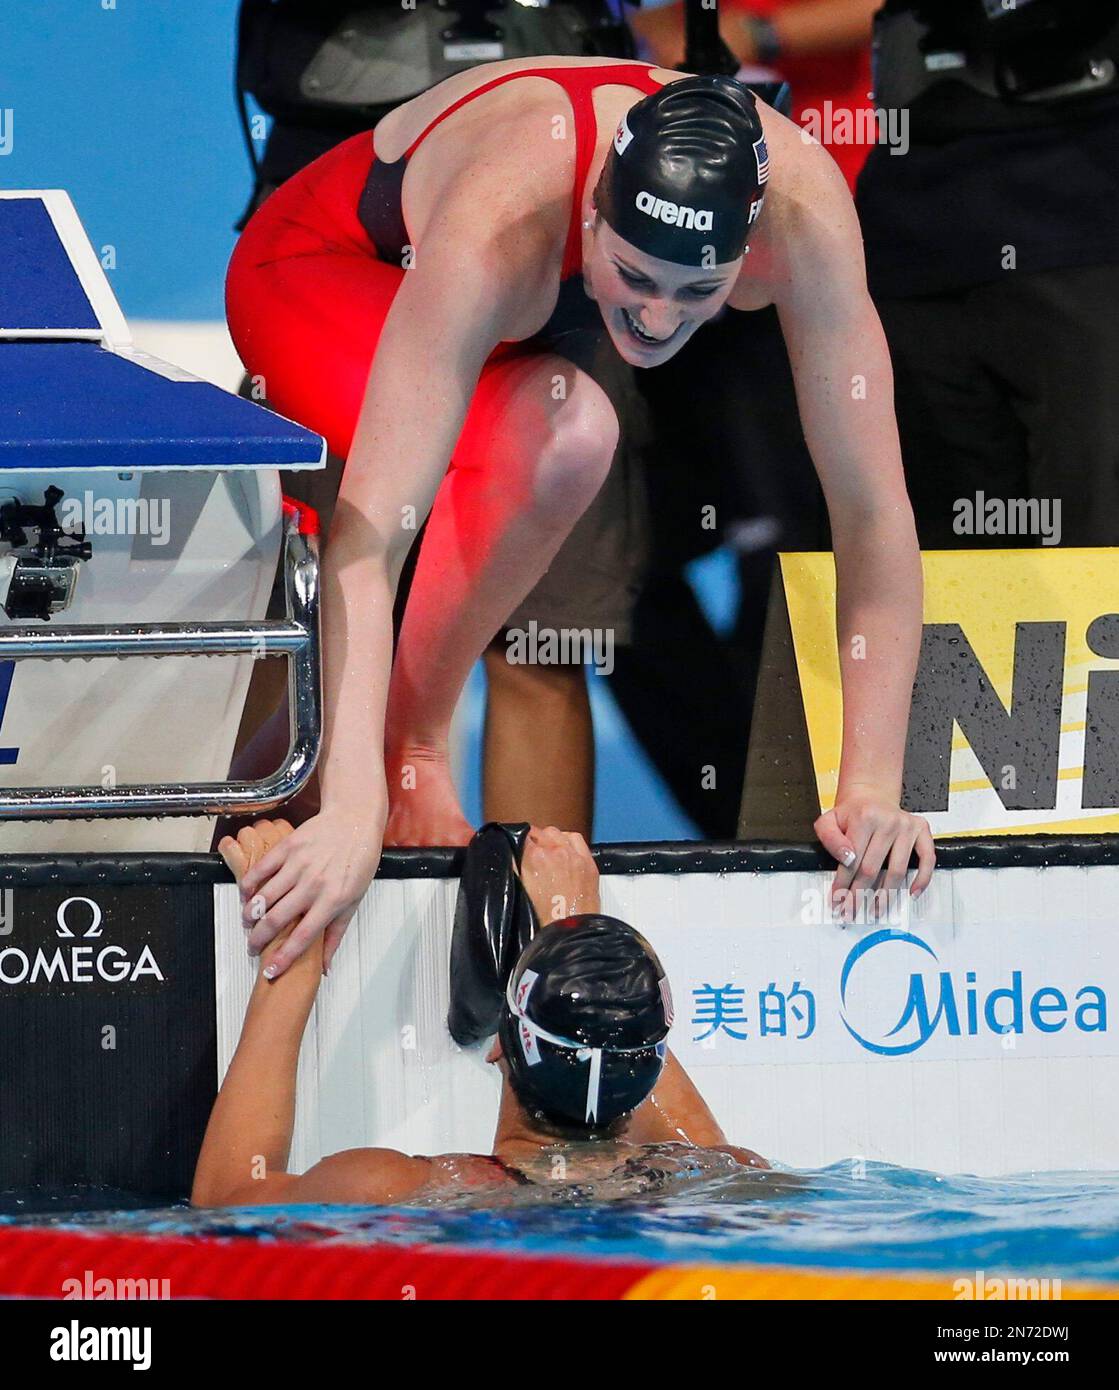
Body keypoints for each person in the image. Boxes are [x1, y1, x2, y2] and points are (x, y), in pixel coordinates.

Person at [225, 56, 934, 978]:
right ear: (594, 211)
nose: (654, 319)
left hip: (517, 319)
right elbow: (369, 539)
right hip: (320, 268)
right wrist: (356, 807)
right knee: (568, 432)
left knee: (570, 432)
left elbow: (874, 515)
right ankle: (399, 761)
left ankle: (407, 747)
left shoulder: (802, 213)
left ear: (746, 249)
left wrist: (873, 787)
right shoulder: (501, 217)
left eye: (695, 292)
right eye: (635, 276)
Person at [192, 820, 768, 1206]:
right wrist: (575, 926)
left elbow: (226, 1199)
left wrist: (292, 941)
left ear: (500, 1045)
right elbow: (689, 1133)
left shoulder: (400, 1190)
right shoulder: (722, 1179)